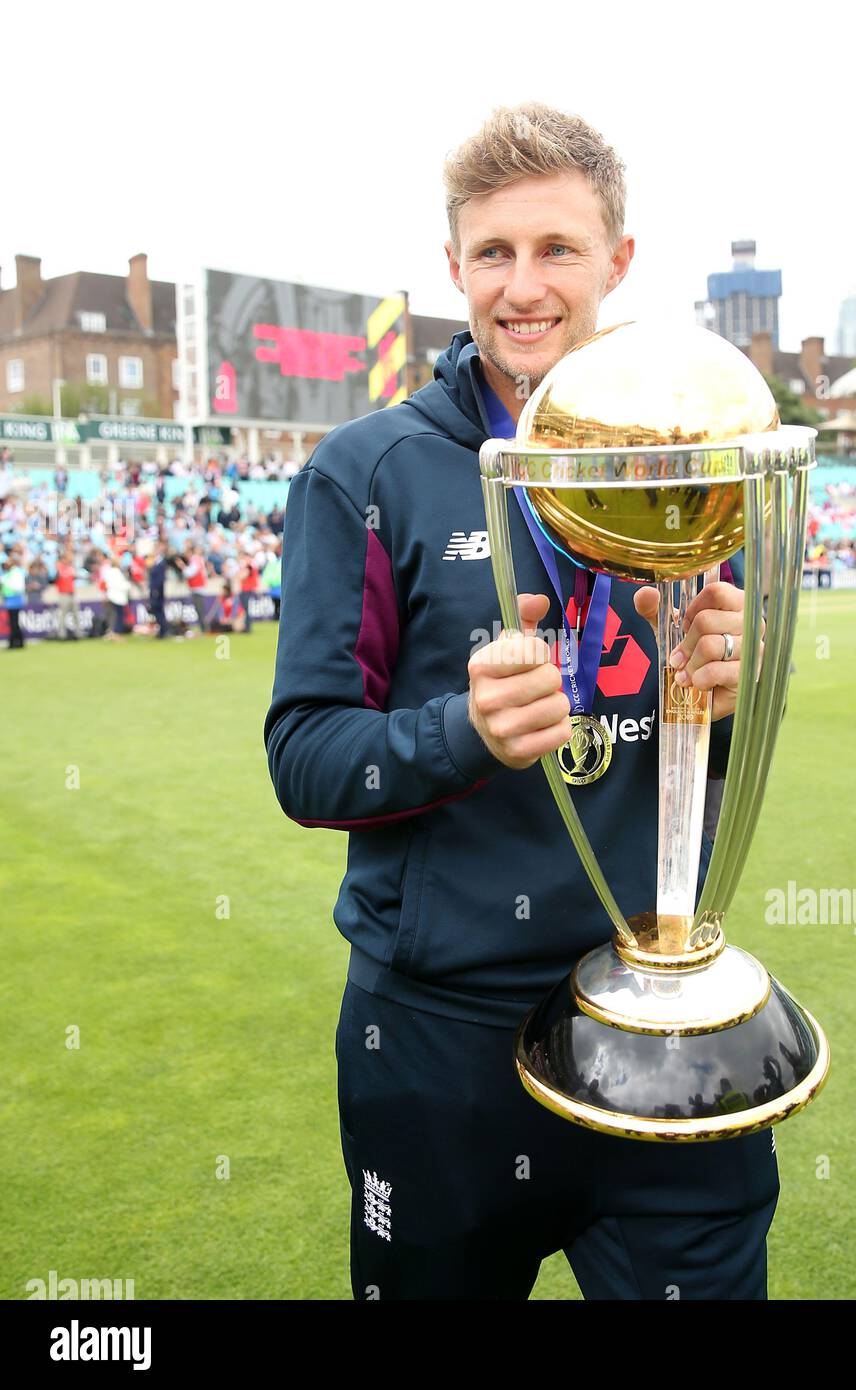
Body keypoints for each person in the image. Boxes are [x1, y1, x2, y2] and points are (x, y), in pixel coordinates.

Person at [264, 103, 773, 1302]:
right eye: (492, 253)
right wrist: (462, 731)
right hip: (440, 1043)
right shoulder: (366, 472)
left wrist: (734, 683)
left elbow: (696, 733)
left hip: (662, 1023)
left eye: (557, 249)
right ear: (453, 267)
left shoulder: (696, 454)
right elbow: (305, 755)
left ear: (619, 263)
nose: (523, 285)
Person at [2, 547, 27, 649]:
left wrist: (8, 587)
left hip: (14, 600)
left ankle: (15, 642)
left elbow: (18, 587)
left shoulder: (16, 573)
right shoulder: (9, 573)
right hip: (10, 600)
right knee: (13, 622)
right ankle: (18, 641)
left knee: (14, 622)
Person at [55, 548, 81, 640]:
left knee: (76, 614)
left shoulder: (70, 568)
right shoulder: (59, 567)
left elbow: (74, 577)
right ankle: (62, 634)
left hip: (72, 593)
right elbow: (55, 578)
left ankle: (78, 633)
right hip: (63, 594)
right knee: (62, 615)